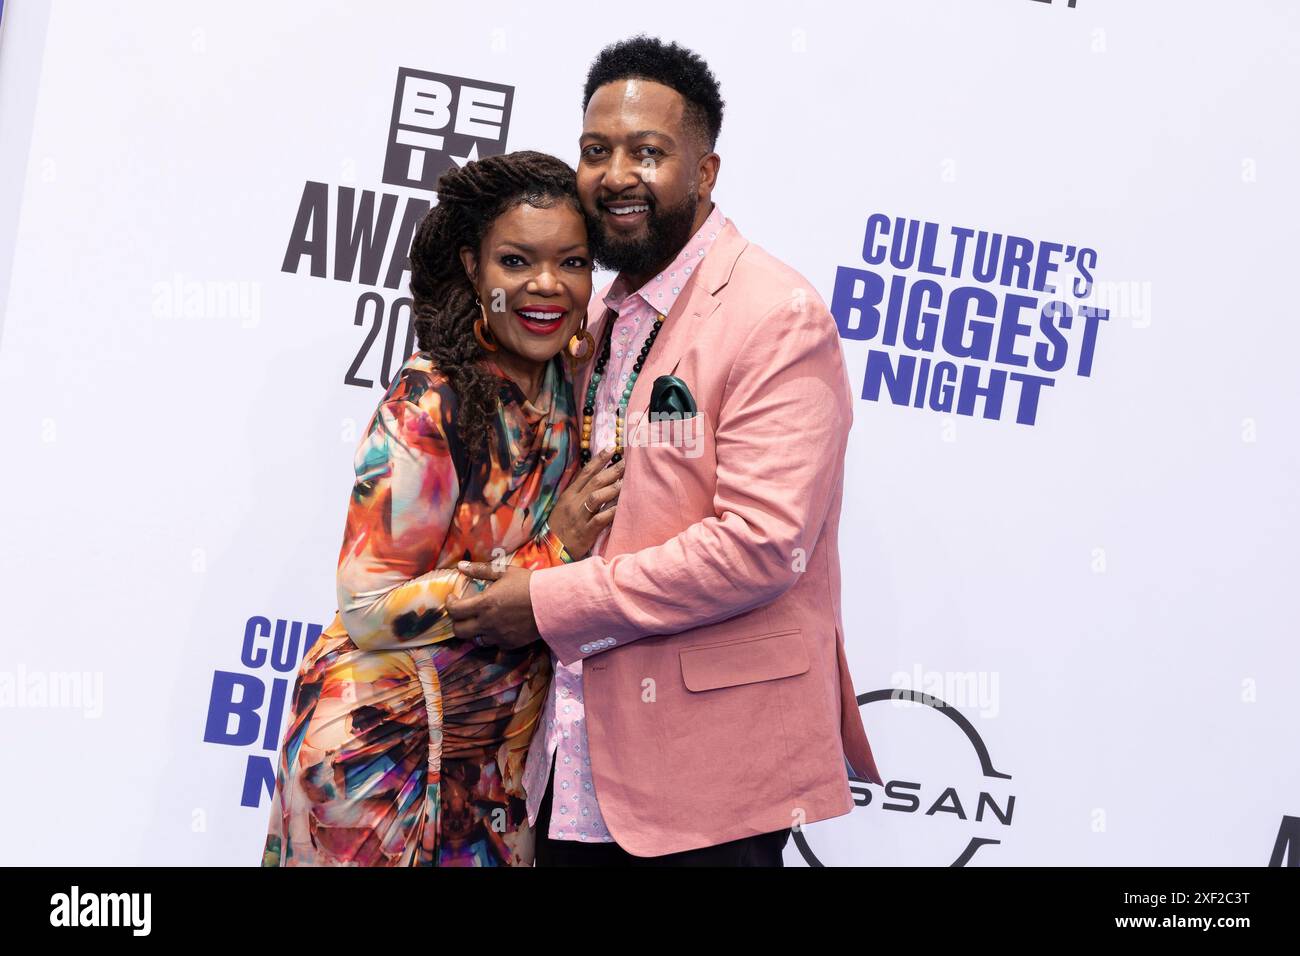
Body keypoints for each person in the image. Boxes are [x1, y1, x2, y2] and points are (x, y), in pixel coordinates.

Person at [450, 36, 885, 866]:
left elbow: (761, 547)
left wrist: (547, 600)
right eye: (596, 151)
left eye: (648, 152)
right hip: (567, 770)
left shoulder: (774, 313)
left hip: (704, 792)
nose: (616, 175)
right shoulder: (604, 310)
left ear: (705, 172)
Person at [261, 150, 623, 867]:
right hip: (376, 764)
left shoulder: (574, 384)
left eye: (573, 263)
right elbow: (368, 605)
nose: (547, 286)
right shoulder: (431, 403)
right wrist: (553, 554)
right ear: (473, 268)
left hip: (490, 773)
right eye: (516, 262)